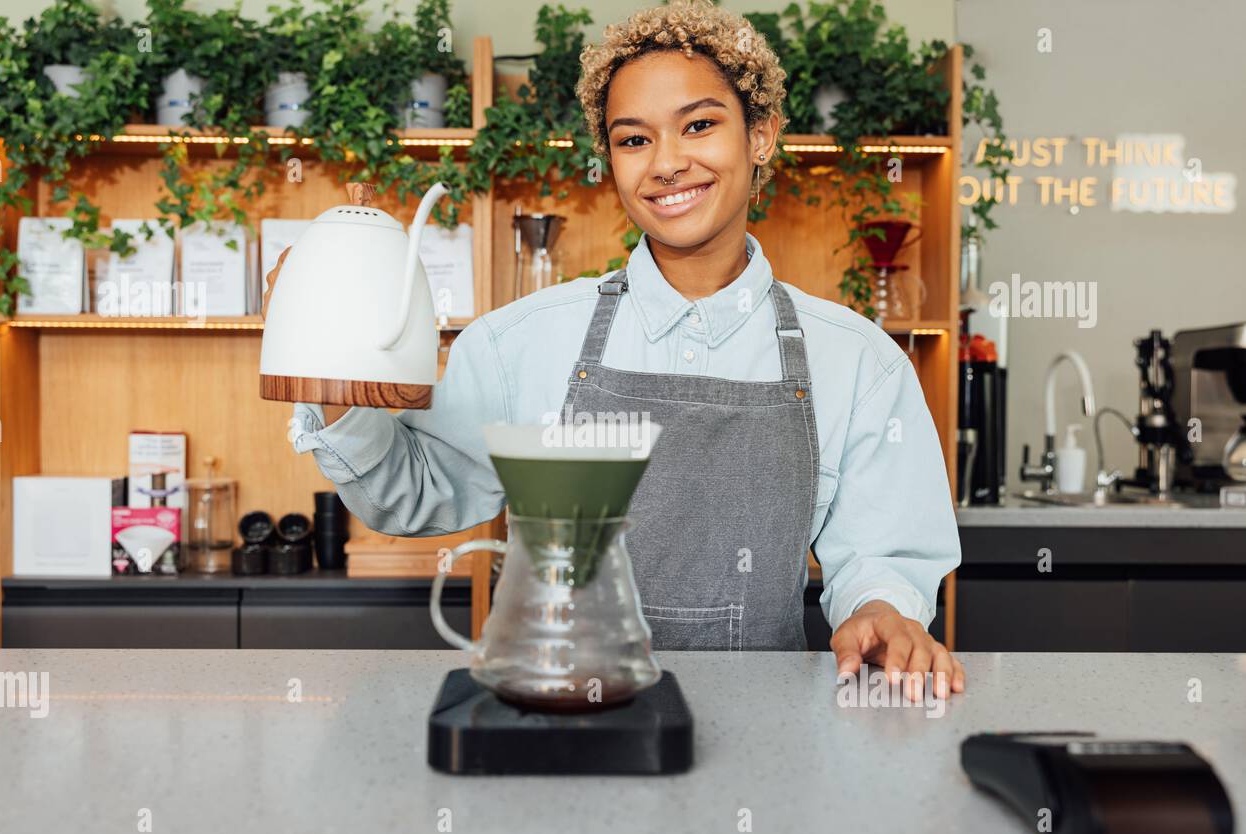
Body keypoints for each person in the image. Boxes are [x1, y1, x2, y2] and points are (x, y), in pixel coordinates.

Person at [279, 0, 964, 698]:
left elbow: (881, 560)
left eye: (699, 125)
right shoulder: (518, 344)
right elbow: (413, 493)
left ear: (761, 135)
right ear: (608, 157)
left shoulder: (860, 362)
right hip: (561, 736)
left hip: (769, 747)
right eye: (633, 139)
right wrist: (330, 379)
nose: (667, 163)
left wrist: (882, 611)